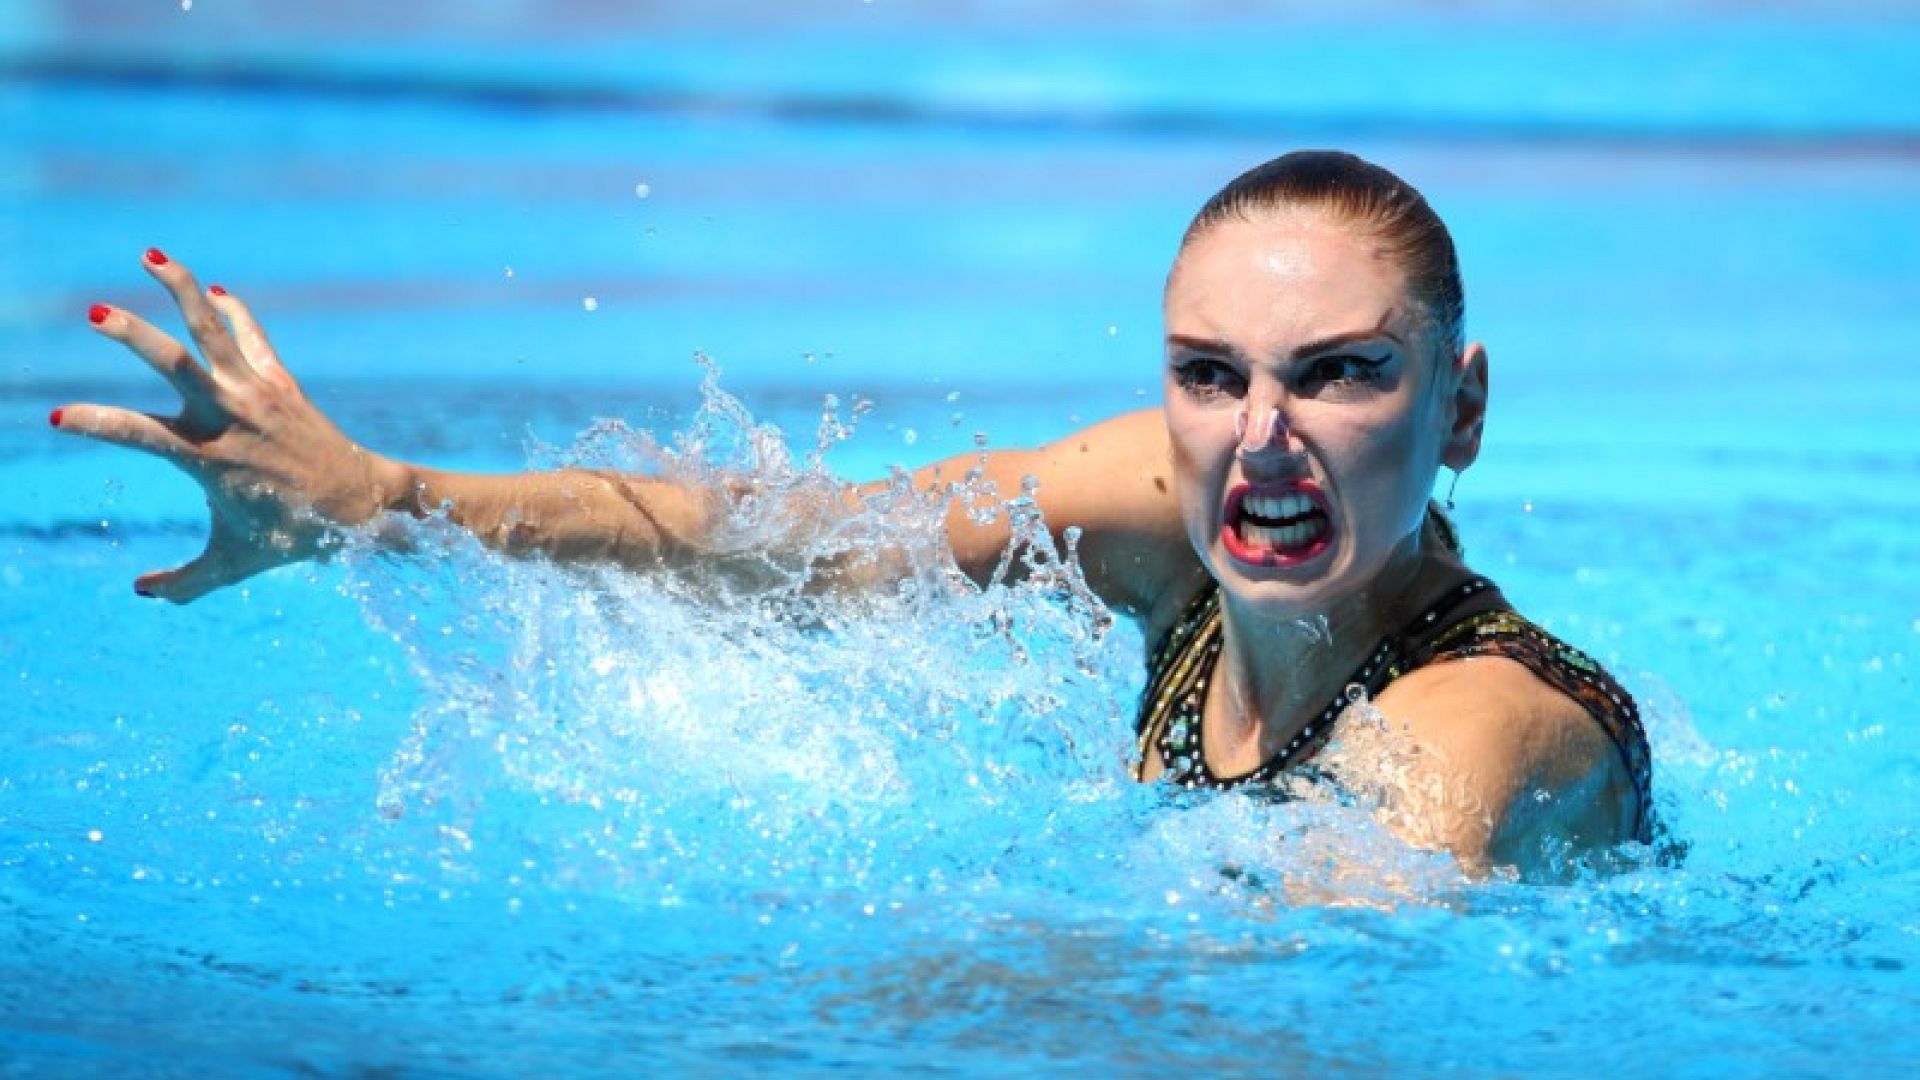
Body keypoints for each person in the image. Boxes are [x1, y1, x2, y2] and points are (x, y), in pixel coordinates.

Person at [51, 150, 1652, 876]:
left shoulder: (1464, 735)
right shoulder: (1166, 508)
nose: (1263, 440)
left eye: (1344, 375)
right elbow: (797, 543)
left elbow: (1300, 1005)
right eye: (1210, 373)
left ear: (1462, 408)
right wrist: (378, 499)